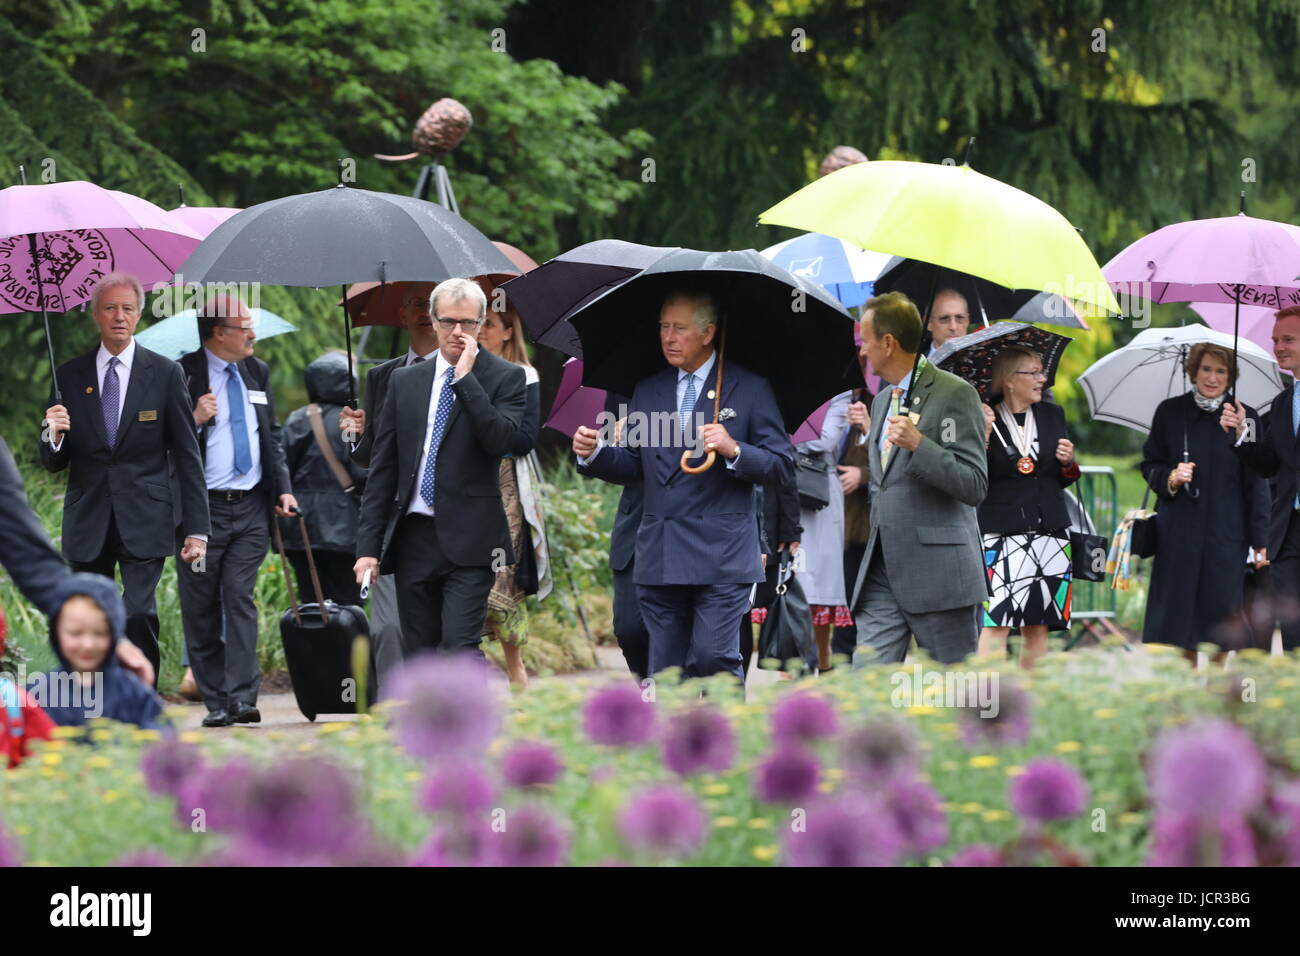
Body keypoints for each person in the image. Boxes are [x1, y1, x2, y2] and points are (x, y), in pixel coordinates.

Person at [573, 290, 795, 681]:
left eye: (679, 328)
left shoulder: (750, 388)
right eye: (663, 327)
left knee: (713, 660)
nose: (668, 337)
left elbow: (781, 466)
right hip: (661, 551)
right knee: (668, 673)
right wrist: (595, 453)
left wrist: (733, 449)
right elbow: (635, 465)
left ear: (708, 332)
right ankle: (674, 741)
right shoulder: (649, 389)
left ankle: (723, 738)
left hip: (722, 555)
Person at [39, 272, 210, 683]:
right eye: (110, 308)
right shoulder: (69, 376)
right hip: (88, 518)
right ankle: (92, 702)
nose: (119, 317)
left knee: (138, 611)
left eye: (127, 309)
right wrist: (54, 433)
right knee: (87, 621)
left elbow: (188, 455)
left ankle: (141, 697)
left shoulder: (165, 373)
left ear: (138, 315)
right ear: (96, 314)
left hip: (146, 517)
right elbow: (51, 461)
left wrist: (198, 530)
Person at [354, 278, 527, 660]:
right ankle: (432, 720)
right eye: (448, 322)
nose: (458, 332)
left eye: (468, 323)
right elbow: (382, 470)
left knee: (459, 646)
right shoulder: (404, 381)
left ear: (482, 324)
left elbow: (500, 441)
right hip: (414, 537)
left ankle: (473, 719)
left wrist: (466, 380)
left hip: (471, 539)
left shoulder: (506, 378)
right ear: (432, 321)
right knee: (421, 652)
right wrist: (368, 549)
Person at [847, 291, 988, 665]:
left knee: (955, 692)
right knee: (868, 687)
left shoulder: (956, 394)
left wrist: (921, 445)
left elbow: (974, 483)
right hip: (882, 568)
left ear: (888, 343)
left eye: (867, 342)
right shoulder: (880, 401)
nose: (863, 351)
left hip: (939, 575)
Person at [178, 294, 297, 727]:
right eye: (244, 325)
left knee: (239, 597)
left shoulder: (256, 371)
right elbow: (160, 446)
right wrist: (193, 418)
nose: (253, 333)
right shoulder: (181, 374)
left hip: (249, 507)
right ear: (218, 332)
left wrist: (283, 490)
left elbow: (273, 436)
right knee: (201, 604)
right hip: (200, 514)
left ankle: (244, 697)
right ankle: (216, 701)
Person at [1141, 343, 1265, 663]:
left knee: (1222, 614)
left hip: (1227, 533)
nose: (1212, 378)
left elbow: (1257, 483)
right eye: (1206, 369)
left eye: (1220, 371)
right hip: (1179, 531)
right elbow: (1150, 463)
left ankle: (1214, 695)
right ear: (1193, 372)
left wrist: (1260, 541)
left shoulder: (1245, 417)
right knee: (1181, 616)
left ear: (1230, 376)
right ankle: (1188, 690)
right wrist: (1170, 477)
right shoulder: (1170, 412)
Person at [341, 282, 437, 693]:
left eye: (429, 305)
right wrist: (355, 436)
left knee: (439, 629)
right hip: (393, 521)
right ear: (402, 315)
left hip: (442, 521)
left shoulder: (464, 372)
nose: (422, 313)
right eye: (414, 304)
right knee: (387, 627)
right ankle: (393, 712)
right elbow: (371, 458)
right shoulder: (382, 376)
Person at [976, 347, 1080, 668]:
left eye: (1041, 372)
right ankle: (984, 700)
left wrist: (1068, 462)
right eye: (1032, 373)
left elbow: (1064, 478)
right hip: (1002, 533)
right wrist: (981, 435)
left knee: (1039, 625)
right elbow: (974, 475)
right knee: (998, 624)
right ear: (1009, 380)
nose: (1041, 379)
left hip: (1050, 533)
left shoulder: (1053, 415)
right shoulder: (984, 415)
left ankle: (1031, 705)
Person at [475, 297, 553, 689]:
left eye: (490, 323)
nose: (482, 331)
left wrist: (485, 431)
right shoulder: (461, 371)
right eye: (478, 323)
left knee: (502, 579)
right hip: (466, 485)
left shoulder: (524, 375)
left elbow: (524, 439)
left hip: (505, 485)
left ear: (508, 331)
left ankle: (515, 668)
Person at [1222, 305, 1300, 652]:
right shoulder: (1281, 404)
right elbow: (1270, 464)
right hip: (1289, 532)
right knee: (1294, 628)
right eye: (1275, 340)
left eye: (1288, 340)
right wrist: (1242, 434)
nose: (1278, 347)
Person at [278, 352, 367, 607]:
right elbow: (362, 475)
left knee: (311, 602)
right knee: (348, 604)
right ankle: (349, 648)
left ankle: (314, 647)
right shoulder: (350, 421)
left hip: (300, 527)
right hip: (346, 527)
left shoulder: (296, 419)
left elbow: (283, 468)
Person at [29, 573, 166, 731]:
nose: (88, 645)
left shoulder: (134, 693)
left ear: (115, 635)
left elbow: (162, 747)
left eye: (100, 633)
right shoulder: (37, 693)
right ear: (56, 633)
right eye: (75, 633)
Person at [793, 391, 853, 670]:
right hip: (785, 487)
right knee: (789, 584)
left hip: (820, 492)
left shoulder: (839, 395)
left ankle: (824, 664)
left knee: (820, 589)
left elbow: (825, 438)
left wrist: (782, 436)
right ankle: (792, 671)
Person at [600, 391, 651, 682]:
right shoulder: (623, 386)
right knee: (629, 629)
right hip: (637, 522)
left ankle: (679, 704)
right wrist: (604, 446)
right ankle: (650, 694)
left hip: (693, 527)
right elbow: (614, 464)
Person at [925, 289, 971, 356]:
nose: (953, 327)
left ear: (967, 321)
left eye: (960, 318)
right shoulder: (912, 363)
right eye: (944, 318)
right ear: (929, 323)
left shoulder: (985, 361)